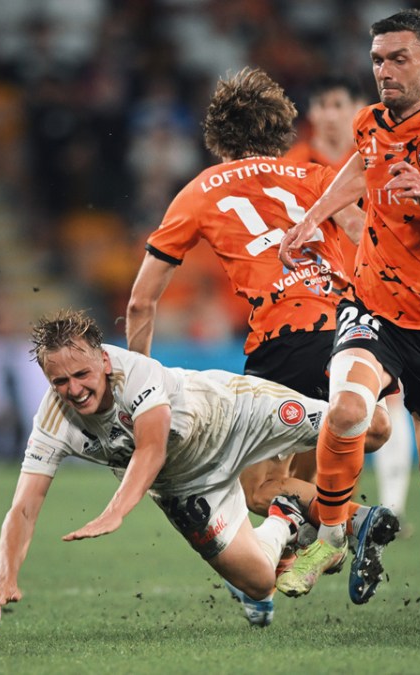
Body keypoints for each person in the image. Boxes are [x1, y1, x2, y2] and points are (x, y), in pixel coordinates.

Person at [276, 9, 420, 635]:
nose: (384, 70)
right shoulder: (371, 123)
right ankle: (330, 532)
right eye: (378, 59)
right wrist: (311, 221)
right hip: (373, 304)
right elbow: (362, 164)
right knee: (349, 408)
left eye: (398, 58)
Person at [125, 68, 399, 605]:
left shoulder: (199, 190)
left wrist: (140, 390)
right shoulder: (315, 176)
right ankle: (310, 532)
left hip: (283, 341)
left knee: (260, 487)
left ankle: (350, 521)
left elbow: (140, 300)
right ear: (278, 127)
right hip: (350, 331)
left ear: (218, 136)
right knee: (346, 437)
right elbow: (368, 240)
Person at [0, 309, 378, 627]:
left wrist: (114, 512)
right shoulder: (52, 422)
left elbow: (151, 448)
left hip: (234, 413)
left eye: (81, 375)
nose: (73, 389)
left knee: (371, 428)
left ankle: (354, 522)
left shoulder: (133, 373)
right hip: (187, 486)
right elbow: (24, 507)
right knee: (261, 584)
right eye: (59, 381)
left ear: (104, 360)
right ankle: (285, 520)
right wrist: (6, 575)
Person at [285, 74, 416, 533]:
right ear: (312, 114)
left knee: (391, 400)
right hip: (315, 300)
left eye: (339, 102)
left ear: (357, 107)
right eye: (322, 103)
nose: (331, 112)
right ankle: (315, 509)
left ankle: (392, 509)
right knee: (318, 409)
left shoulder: (381, 159)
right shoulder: (296, 165)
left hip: (370, 296)